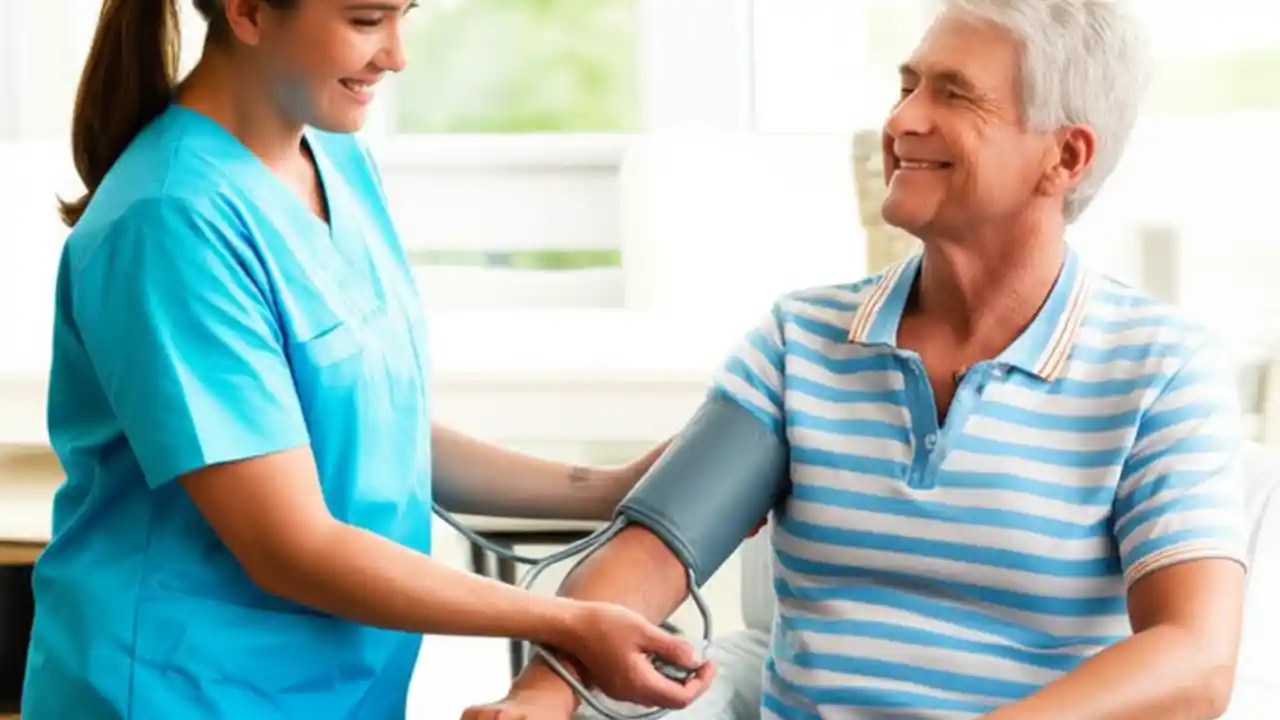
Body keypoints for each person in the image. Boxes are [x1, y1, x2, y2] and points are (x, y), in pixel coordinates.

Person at [471, 1, 1250, 718]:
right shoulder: (801, 341)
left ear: (1066, 157)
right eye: (907, 85)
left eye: (955, 95)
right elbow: (653, 550)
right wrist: (544, 691)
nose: (904, 118)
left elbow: (1194, 657)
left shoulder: (1161, 371)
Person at [20, 1, 716, 718]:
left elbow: (368, 432)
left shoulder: (336, 160)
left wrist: (607, 489)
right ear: (250, 12)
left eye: (404, 15)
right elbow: (288, 546)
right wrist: (564, 622)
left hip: (342, 691)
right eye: (365, 20)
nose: (397, 55)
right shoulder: (168, 222)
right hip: (183, 692)